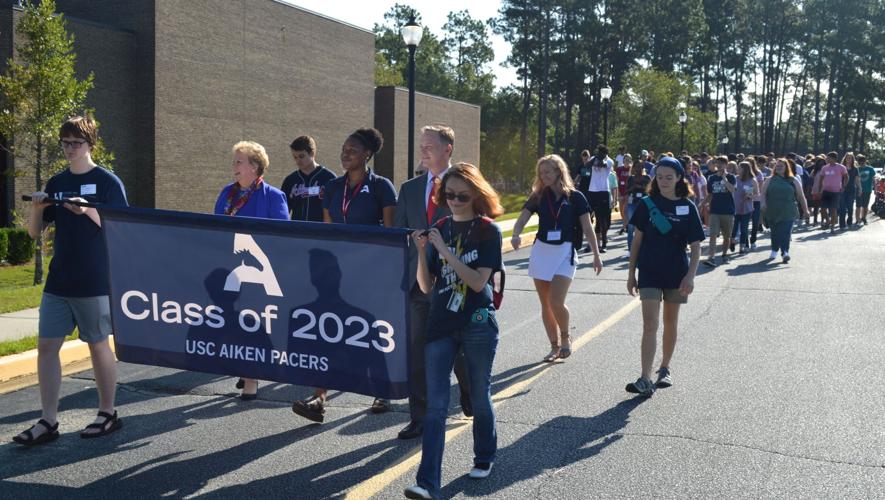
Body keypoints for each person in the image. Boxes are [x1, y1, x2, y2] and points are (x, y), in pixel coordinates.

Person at [15, 116, 128, 445]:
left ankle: (108, 412)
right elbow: (35, 232)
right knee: (47, 347)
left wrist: (86, 210)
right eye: (65, 143)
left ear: (90, 144)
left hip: (93, 280)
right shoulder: (56, 181)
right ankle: (48, 420)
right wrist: (37, 208)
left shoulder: (108, 182)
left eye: (76, 143)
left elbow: (120, 228)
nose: (70, 149)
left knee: (97, 344)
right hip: (59, 280)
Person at [404, 163, 504, 500]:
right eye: (449, 195)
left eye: (462, 195)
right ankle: (427, 483)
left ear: (476, 193)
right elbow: (426, 286)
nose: (456, 201)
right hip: (441, 323)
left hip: (476, 321)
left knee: (478, 392)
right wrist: (422, 253)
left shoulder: (489, 231)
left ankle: (485, 455)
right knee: (435, 405)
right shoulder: (440, 227)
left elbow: (478, 282)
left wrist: (445, 252)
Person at [293, 127, 397, 422]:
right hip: (336, 273)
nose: (345, 154)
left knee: (373, 331)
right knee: (327, 332)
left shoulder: (382, 187)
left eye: (352, 150)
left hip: (370, 271)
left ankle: (382, 389)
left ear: (367, 154)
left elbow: (389, 235)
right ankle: (318, 398)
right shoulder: (333, 188)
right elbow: (327, 232)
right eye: (343, 149)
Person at [393, 125, 472, 440]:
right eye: (421, 146)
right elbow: (398, 231)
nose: (423, 151)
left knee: (458, 352)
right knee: (417, 352)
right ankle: (420, 417)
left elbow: (475, 228)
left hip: (453, 284)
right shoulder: (410, 188)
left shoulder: (466, 183)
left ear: (447, 149)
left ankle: (468, 392)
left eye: (429, 146)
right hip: (416, 284)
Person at [510, 155, 602, 363]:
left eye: (548, 172)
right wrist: (516, 233)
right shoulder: (538, 196)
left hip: (565, 252)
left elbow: (588, 228)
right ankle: (553, 346)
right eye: (541, 173)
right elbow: (523, 216)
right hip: (542, 251)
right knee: (546, 304)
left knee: (556, 300)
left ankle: (565, 337)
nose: (544, 176)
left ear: (559, 171)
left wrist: (596, 255)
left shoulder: (576, 197)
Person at [215, 141, 289, 399]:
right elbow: (215, 228)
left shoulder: (273, 196)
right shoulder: (226, 193)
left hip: (259, 271)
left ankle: (251, 379)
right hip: (231, 268)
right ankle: (246, 368)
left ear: (255, 167)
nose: (233, 166)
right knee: (234, 322)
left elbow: (282, 237)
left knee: (252, 323)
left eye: (239, 161)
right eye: (234, 161)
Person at [625, 157, 703, 397]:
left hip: (676, 272)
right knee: (650, 324)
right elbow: (636, 241)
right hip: (649, 270)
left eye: (669, 177)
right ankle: (644, 378)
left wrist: (690, 276)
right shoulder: (647, 204)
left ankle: (664, 368)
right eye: (660, 177)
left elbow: (696, 245)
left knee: (670, 322)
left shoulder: (688, 207)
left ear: (680, 177)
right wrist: (631, 274)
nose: (664, 181)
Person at [762, 158, 809, 263]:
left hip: (788, 210)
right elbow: (763, 194)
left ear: (786, 167)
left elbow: (801, 196)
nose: (778, 168)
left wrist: (806, 210)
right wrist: (763, 203)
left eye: (781, 166)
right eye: (777, 166)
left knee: (786, 232)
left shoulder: (793, 180)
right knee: (775, 232)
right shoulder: (769, 179)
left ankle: (785, 252)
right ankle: (774, 249)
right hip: (772, 210)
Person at [280, 135, 336, 222]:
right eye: (295, 157)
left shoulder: (329, 178)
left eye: (301, 156)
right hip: (296, 232)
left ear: (312, 153)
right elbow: (283, 211)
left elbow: (336, 210)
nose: (298, 161)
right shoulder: (290, 180)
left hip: (321, 233)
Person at [700, 156, 736, 266]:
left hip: (728, 211)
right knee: (713, 235)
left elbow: (733, 190)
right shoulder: (711, 178)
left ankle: (725, 254)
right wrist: (702, 203)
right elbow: (710, 194)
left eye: (722, 163)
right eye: (717, 163)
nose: (719, 165)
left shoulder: (731, 177)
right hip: (714, 211)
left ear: (726, 165)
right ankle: (711, 257)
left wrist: (725, 180)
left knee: (727, 236)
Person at [579, 145, 614, 253]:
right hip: (592, 191)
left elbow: (602, 165)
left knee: (602, 219)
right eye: (597, 152)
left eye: (600, 153)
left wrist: (599, 159)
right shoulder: (594, 158)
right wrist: (594, 158)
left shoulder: (609, 161)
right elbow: (587, 165)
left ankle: (603, 243)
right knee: (588, 217)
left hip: (603, 191)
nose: (598, 154)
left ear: (605, 153)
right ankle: (590, 243)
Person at [812, 152, 848, 234]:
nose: (827, 159)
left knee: (833, 209)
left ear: (834, 158)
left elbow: (846, 177)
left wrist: (843, 186)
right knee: (823, 209)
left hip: (836, 191)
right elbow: (821, 179)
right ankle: (828, 221)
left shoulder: (841, 167)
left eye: (828, 158)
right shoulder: (825, 168)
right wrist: (820, 190)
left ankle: (832, 227)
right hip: (826, 191)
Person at [730, 161, 759, 254]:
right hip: (735, 207)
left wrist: (749, 196)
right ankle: (732, 241)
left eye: (739, 167)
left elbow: (757, 194)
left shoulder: (752, 180)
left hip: (747, 208)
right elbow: (731, 190)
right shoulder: (735, 178)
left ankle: (742, 247)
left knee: (744, 228)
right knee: (734, 228)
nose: (737, 169)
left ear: (745, 169)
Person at [624, 159, 652, 253]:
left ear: (643, 167)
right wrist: (633, 188)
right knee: (631, 227)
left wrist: (642, 188)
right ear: (634, 168)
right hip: (632, 204)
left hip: (644, 204)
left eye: (640, 166)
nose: (638, 168)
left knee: (644, 227)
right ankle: (630, 250)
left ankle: (644, 249)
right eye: (637, 167)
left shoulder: (647, 178)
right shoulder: (631, 178)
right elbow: (626, 191)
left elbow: (651, 191)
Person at [838, 152, 861, 229]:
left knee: (850, 207)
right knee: (842, 207)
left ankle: (849, 222)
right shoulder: (841, 167)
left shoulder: (855, 169)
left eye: (850, 158)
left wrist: (860, 188)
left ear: (852, 159)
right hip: (842, 189)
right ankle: (842, 224)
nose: (848, 159)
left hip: (851, 189)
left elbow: (857, 180)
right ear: (845, 158)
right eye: (847, 157)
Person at [856, 155, 876, 224]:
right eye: (860, 163)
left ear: (865, 162)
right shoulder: (857, 169)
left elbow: (874, 180)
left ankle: (864, 218)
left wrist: (875, 189)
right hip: (858, 190)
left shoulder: (870, 169)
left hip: (867, 189)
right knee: (858, 205)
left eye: (862, 163)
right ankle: (857, 219)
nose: (861, 164)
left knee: (865, 205)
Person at [616, 154, 632, 234]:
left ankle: (624, 226)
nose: (627, 161)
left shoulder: (631, 169)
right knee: (622, 210)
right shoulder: (619, 169)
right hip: (621, 191)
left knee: (626, 210)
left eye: (628, 160)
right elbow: (618, 181)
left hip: (629, 192)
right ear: (623, 160)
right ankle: (625, 224)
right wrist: (618, 193)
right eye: (625, 159)